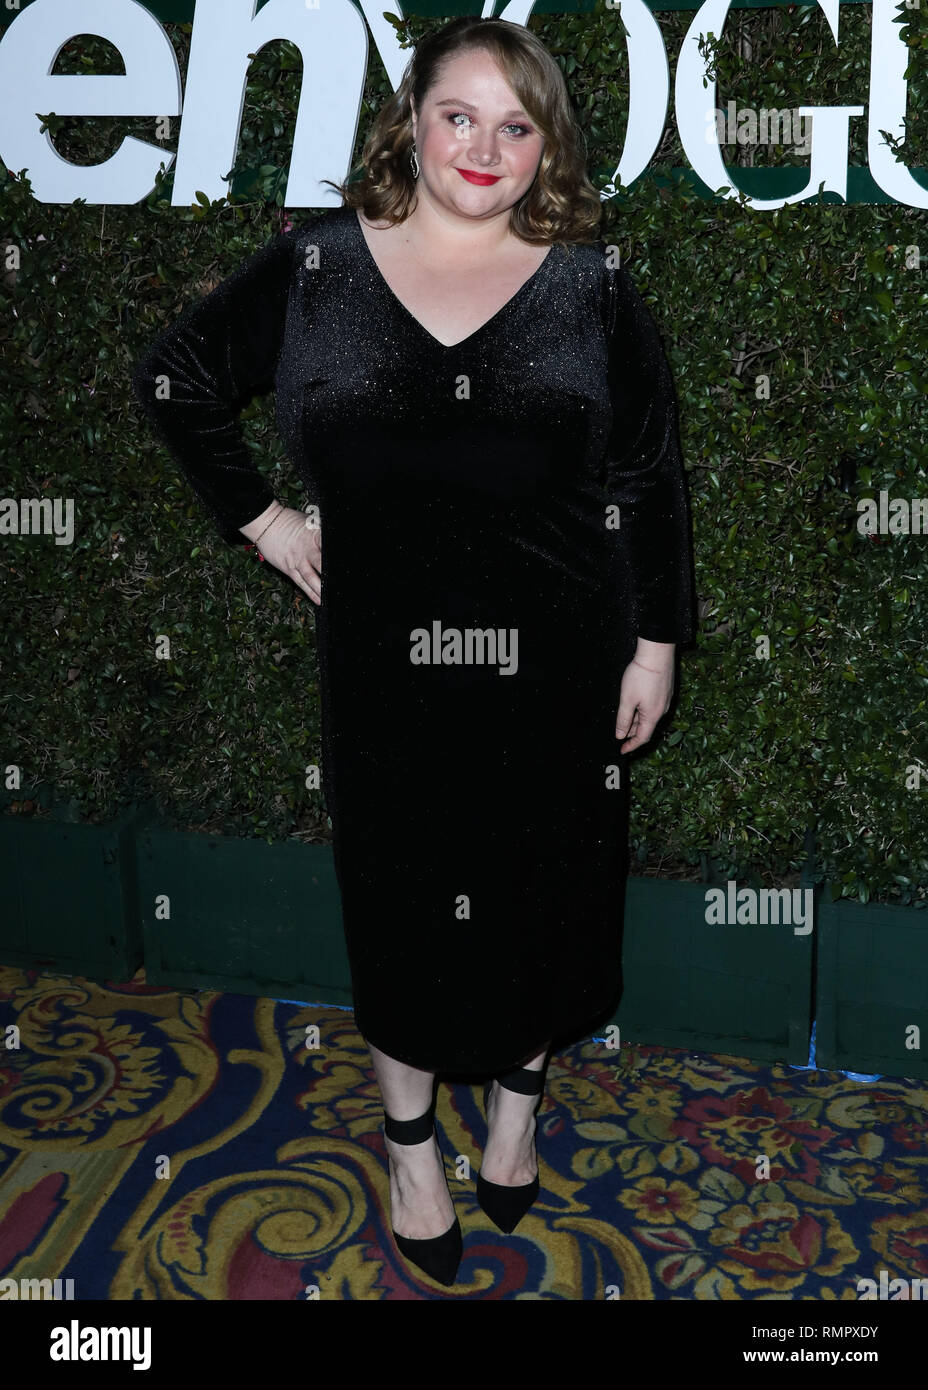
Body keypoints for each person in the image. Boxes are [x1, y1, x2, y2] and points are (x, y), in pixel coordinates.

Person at [131, 15, 695, 1289]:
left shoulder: (592, 289)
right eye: (460, 115)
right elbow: (176, 379)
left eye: (517, 123)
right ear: (411, 122)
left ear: (545, 144)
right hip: (387, 670)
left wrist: (653, 642)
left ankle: (514, 1108)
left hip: (560, 661)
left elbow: (650, 477)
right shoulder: (321, 267)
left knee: (544, 900)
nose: (485, 146)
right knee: (401, 910)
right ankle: (406, 1145)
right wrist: (266, 523)